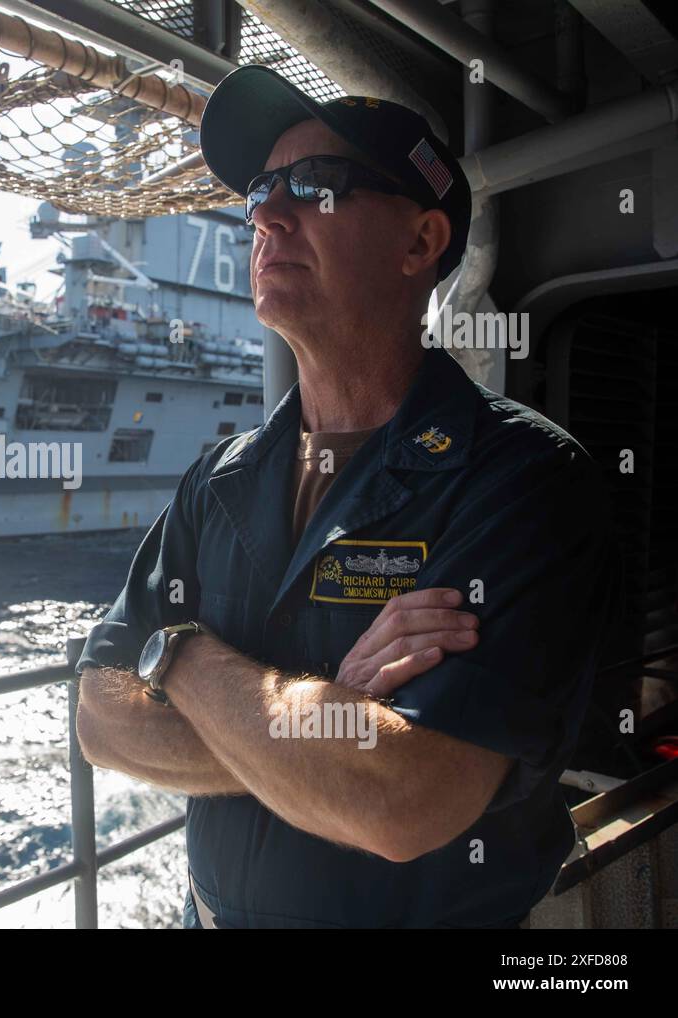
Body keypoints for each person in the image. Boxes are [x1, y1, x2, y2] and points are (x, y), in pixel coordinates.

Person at [74, 65, 617, 929]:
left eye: (316, 185)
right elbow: (100, 718)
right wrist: (326, 705)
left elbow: (402, 799)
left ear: (420, 242)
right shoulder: (219, 482)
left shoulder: (523, 480)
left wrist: (182, 657)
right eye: (261, 190)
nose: (266, 213)